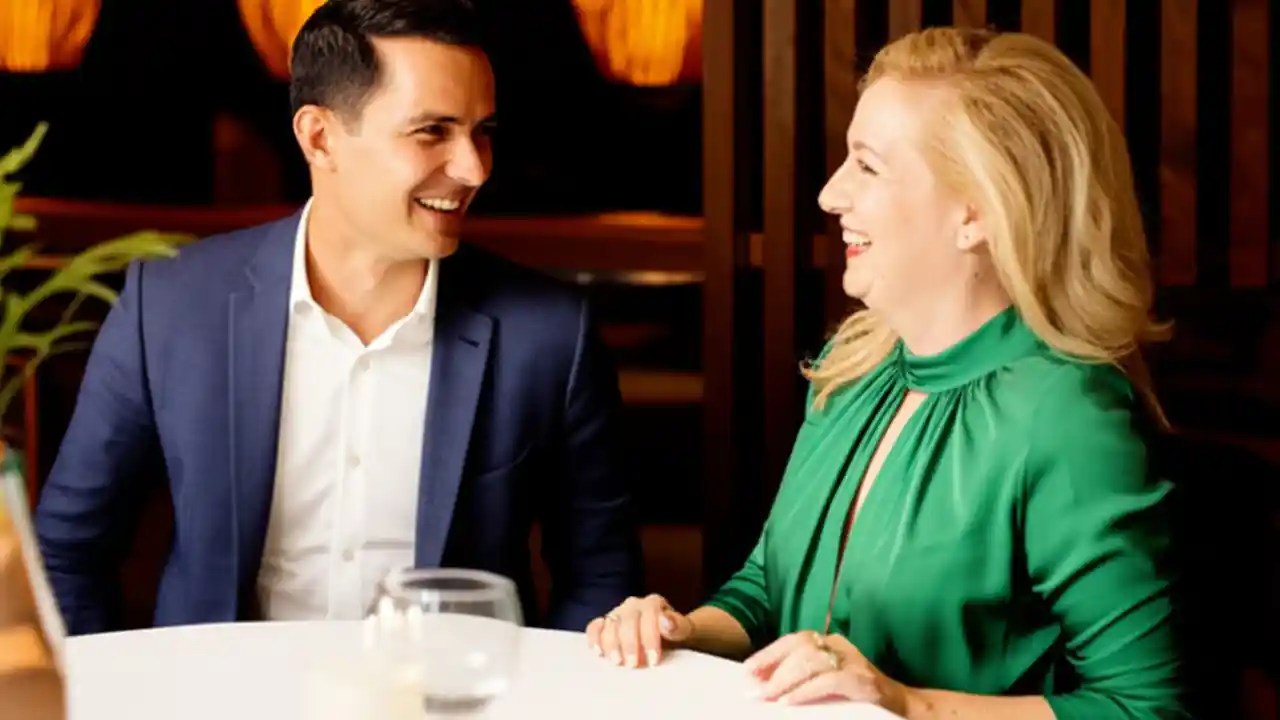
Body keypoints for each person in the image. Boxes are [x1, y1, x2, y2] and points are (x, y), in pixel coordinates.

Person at [587, 27, 1186, 720]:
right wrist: (685, 630)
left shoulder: (1069, 417)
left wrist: (908, 705)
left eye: (867, 167)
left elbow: (1147, 708)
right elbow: (767, 589)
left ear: (976, 213)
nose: (829, 194)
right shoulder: (857, 362)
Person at [35, 0, 640, 635]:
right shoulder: (171, 306)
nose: (473, 168)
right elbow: (67, 556)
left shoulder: (548, 334)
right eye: (432, 131)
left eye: (481, 130)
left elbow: (601, 578)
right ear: (319, 137)